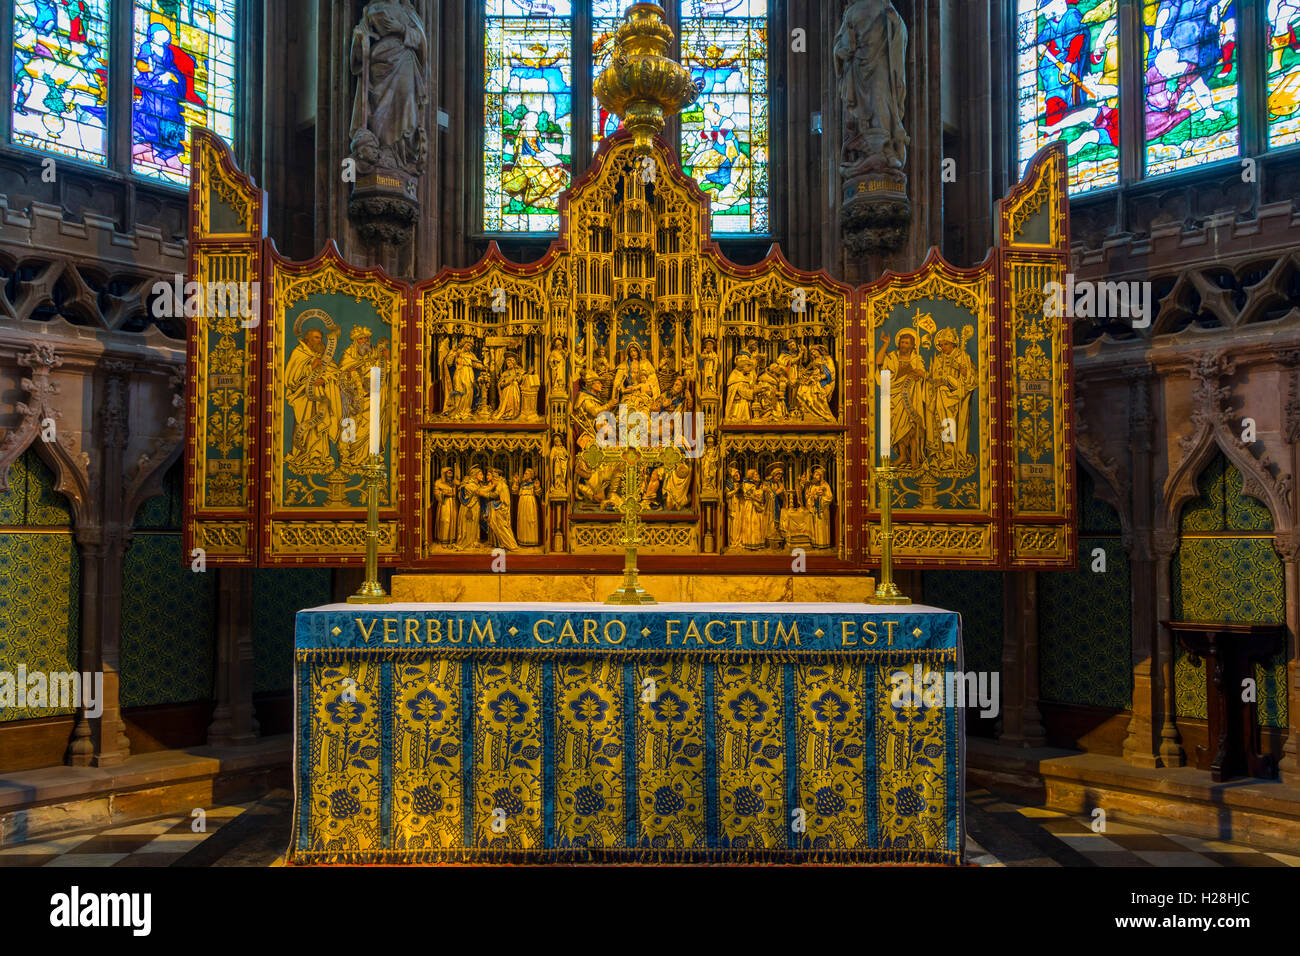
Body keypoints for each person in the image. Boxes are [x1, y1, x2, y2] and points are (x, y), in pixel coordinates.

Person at [285, 327, 342, 474]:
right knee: (305, 425)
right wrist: (310, 367)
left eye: (320, 338)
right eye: (316, 338)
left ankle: (319, 456)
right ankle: (302, 455)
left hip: (320, 398)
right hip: (304, 398)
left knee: (319, 428)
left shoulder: (323, 355)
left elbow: (335, 373)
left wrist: (324, 379)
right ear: (308, 339)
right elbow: (290, 379)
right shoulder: (298, 353)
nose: (319, 341)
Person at [876, 331, 926, 466]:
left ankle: (914, 458)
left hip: (910, 397)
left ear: (912, 345)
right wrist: (886, 344)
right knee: (898, 428)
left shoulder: (916, 359)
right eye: (902, 342)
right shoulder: (892, 357)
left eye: (907, 343)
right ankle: (903, 456)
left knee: (911, 428)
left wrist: (919, 373)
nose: (904, 345)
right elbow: (879, 362)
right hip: (896, 396)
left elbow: (923, 374)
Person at [927, 327, 976, 468]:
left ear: (953, 343)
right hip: (942, 398)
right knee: (944, 425)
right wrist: (935, 381)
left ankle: (958, 456)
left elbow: (970, 380)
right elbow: (934, 377)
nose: (943, 347)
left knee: (957, 426)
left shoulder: (962, 356)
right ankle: (948, 455)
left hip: (957, 398)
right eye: (941, 345)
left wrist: (964, 374)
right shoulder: (938, 358)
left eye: (945, 344)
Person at [483, 468, 519, 550]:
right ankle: (497, 543)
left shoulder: (501, 484)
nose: (486, 476)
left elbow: (495, 495)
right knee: (493, 526)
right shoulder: (491, 484)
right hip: (493, 507)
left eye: (488, 475)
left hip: (500, 508)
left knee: (501, 527)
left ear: (494, 476)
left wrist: (485, 494)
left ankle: (510, 544)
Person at [453, 467, 486, 549]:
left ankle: (473, 541)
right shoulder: (470, 485)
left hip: (475, 506)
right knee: (467, 525)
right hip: (468, 508)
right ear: (475, 476)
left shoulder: (477, 484)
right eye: (481, 474)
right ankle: (465, 543)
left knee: (474, 524)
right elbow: (481, 492)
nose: (483, 476)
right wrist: (493, 486)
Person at [805, 466, 834, 549]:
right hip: (814, 509)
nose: (816, 476)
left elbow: (829, 498)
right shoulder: (812, 485)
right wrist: (810, 497)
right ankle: (815, 543)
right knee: (814, 526)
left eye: (818, 475)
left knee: (821, 526)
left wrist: (819, 498)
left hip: (822, 510)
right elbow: (808, 496)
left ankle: (822, 544)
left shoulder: (825, 485)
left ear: (821, 476)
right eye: (815, 475)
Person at [512, 468, 540, 546]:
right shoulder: (522, 484)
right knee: (522, 521)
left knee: (530, 521)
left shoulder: (534, 483)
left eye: (526, 473)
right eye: (524, 473)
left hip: (530, 505)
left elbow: (539, 494)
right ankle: (522, 540)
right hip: (522, 505)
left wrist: (537, 487)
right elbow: (514, 492)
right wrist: (516, 482)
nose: (524, 475)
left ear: (531, 475)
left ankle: (531, 540)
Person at [725, 353, 757, 422]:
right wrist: (754, 392)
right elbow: (742, 391)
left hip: (744, 403)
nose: (750, 369)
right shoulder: (736, 377)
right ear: (743, 366)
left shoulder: (744, 376)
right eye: (748, 366)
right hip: (738, 406)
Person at [493, 354, 525, 421]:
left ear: (514, 363)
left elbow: (521, 380)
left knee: (515, 384)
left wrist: (517, 379)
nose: (509, 365)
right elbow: (500, 384)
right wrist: (506, 383)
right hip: (506, 392)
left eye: (510, 363)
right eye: (507, 363)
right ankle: (507, 412)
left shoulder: (518, 372)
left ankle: (514, 412)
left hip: (515, 391)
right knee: (509, 388)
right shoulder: (505, 373)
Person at [433, 466, 457, 543]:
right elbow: (436, 493)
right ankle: (443, 539)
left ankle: (452, 538)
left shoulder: (453, 482)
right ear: (444, 474)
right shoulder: (438, 482)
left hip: (452, 503)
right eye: (449, 473)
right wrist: (443, 494)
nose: (450, 475)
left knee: (453, 519)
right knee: (445, 520)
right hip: (444, 504)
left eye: (451, 473)